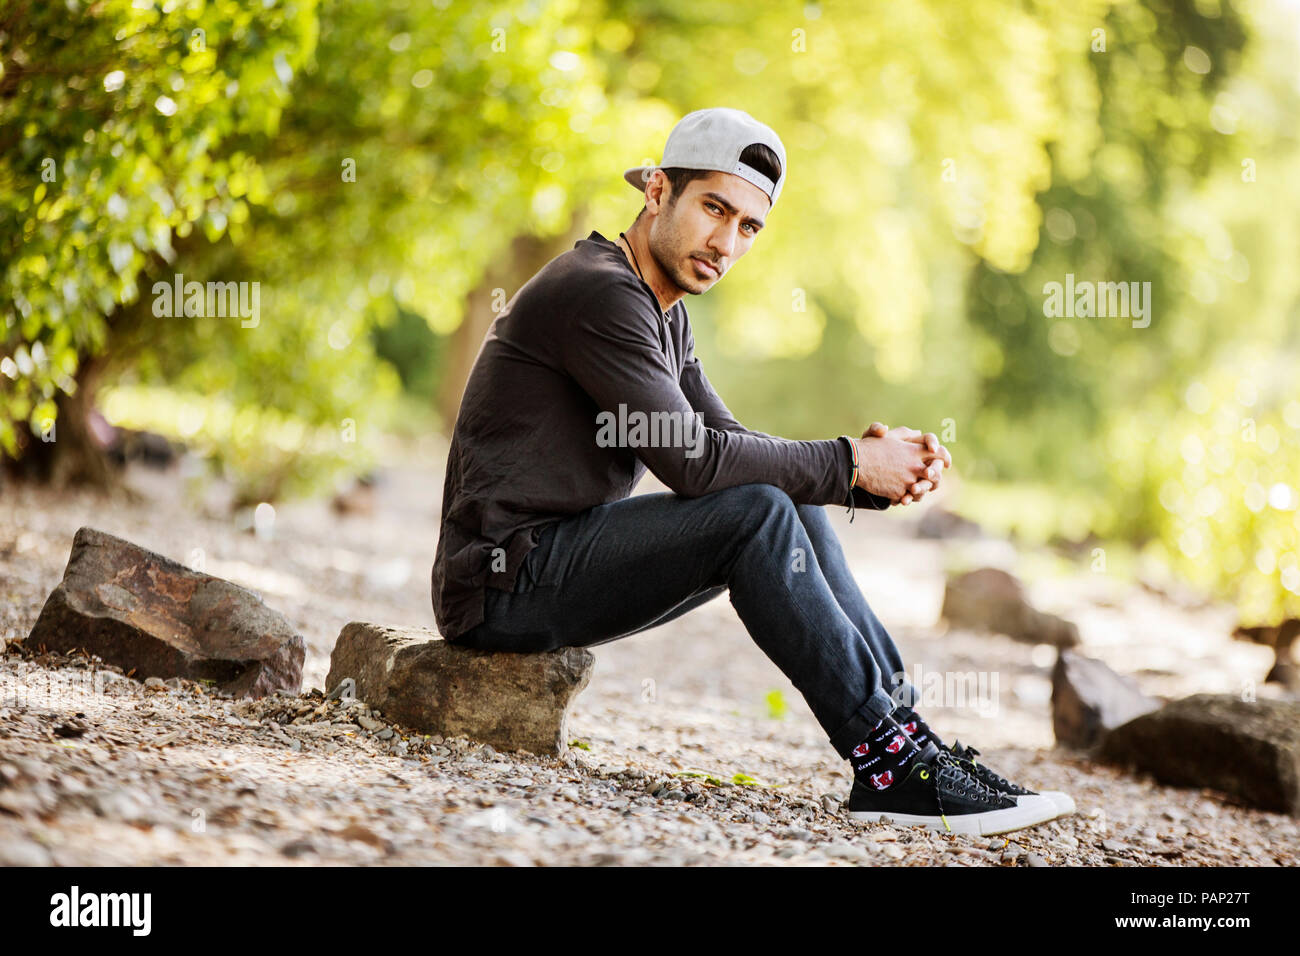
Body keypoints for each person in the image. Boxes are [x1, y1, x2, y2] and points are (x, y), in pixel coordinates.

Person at [432, 107, 1074, 836]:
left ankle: (906, 737)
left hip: (552, 559)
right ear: (656, 193)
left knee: (785, 500)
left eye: (748, 227)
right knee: (761, 509)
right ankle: (889, 759)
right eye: (714, 208)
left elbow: (730, 440)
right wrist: (849, 461)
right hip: (501, 583)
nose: (726, 242)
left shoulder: (662, 311)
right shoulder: (598, 293)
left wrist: (861, 475)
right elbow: (693, 461)